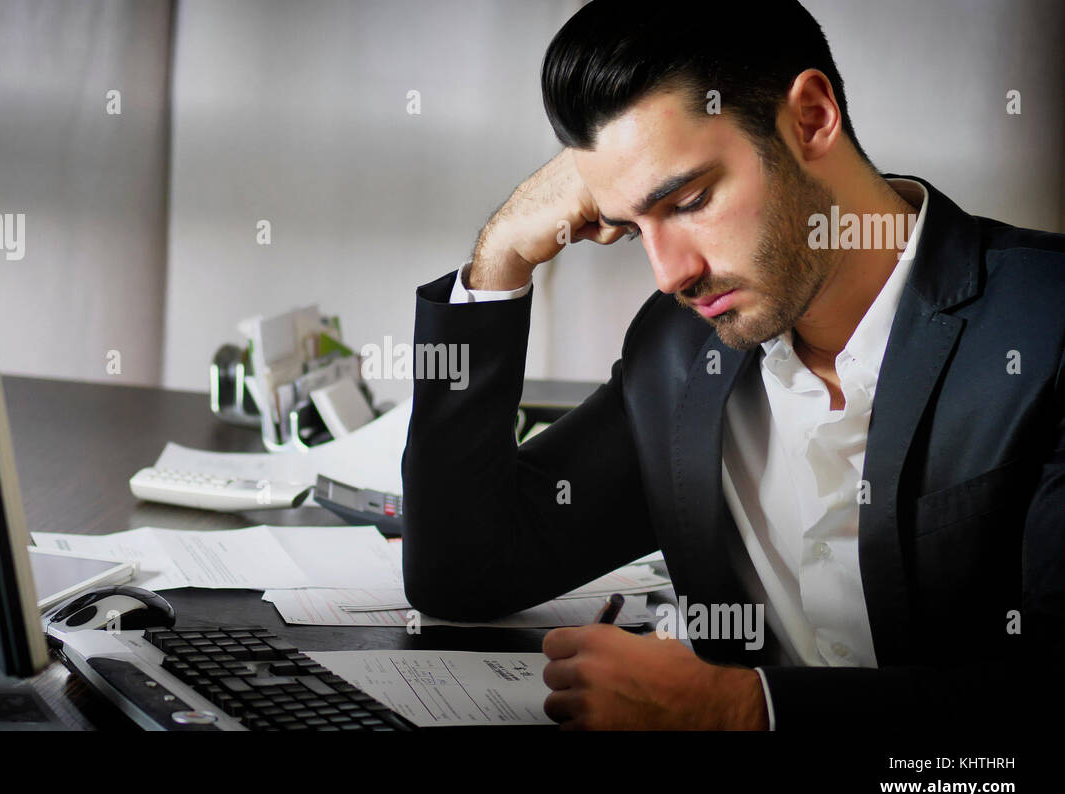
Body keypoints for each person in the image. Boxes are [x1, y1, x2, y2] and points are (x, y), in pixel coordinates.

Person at [400, 0, 1065, 730]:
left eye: (689, 200)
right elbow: (463, 571)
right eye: (629, 228)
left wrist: (748, 710)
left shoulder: (1046, 328)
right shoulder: (682, 352)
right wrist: (500, 258)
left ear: (811, 117)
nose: (668, 273)